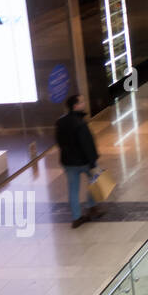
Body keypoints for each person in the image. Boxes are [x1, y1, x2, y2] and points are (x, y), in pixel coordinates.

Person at [54, 94, 104, 228]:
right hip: (84, 162)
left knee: (73, 189)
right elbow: (87, 145)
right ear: (75, 106)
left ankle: (76, 217)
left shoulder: (60, 122)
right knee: (96, 180)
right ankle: (92, 207)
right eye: (81, 102)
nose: (84, 103)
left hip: (68, 162)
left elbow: (59, 142)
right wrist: (93, 162)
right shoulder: (80, 124)